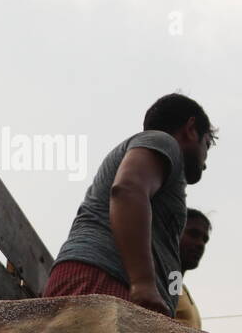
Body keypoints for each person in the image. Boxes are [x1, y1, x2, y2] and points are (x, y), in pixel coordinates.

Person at [44, 93, 216, 316]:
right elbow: (127, 190)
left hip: (112, 285)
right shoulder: (164, 141)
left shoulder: (160, 161)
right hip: (108, 281)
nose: (206, 161)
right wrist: (143, 283)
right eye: (207, 144)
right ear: (191, 128)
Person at [173, 208, 211, 329]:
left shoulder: (176, 282)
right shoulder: (168, 279)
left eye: (204, 239)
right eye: (193, 234)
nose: (201, 244)